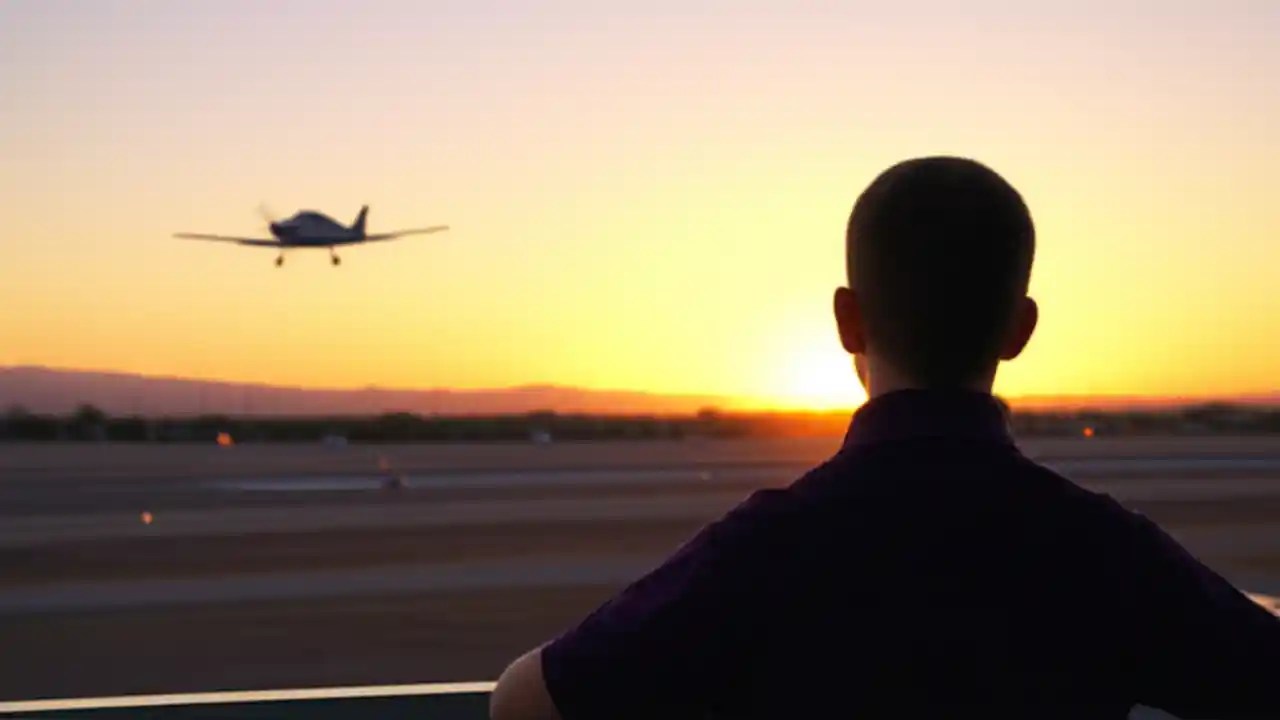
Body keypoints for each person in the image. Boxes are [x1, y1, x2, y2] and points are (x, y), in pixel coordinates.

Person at [490, 157, 1280, 720]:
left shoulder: (766, 548)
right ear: (1020, 329)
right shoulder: (1107, 551)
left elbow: (525, 702)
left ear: (846, 320)